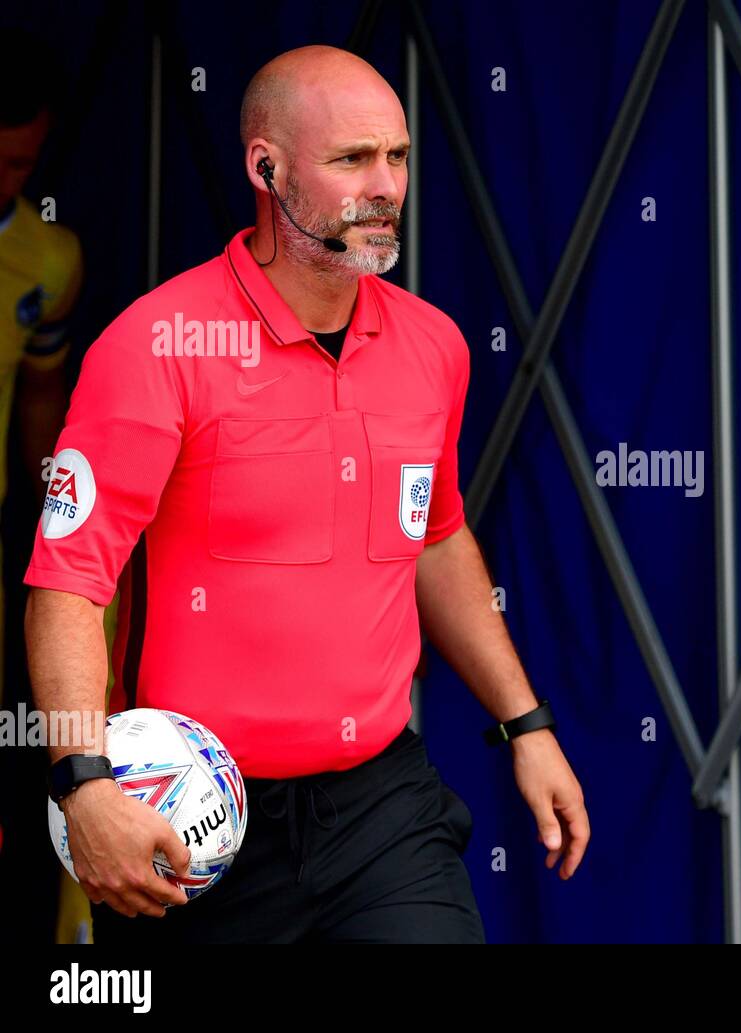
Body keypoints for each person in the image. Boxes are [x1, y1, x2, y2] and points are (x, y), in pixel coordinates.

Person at [24, 45, 589, 944]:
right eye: (352, 160)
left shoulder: (435, 347)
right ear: (266, 168)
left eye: (397, 157)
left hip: (382, 806)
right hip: (192, 815)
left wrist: (527, 722)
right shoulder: (154, 346)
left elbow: (437, 541)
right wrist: (83, 780)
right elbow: (68, 582)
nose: (386, 186)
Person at [0, 26, 86, 944]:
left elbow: (40, 402)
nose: (7, 177)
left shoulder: (49, 258)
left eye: (23, 161)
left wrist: (63, 508)